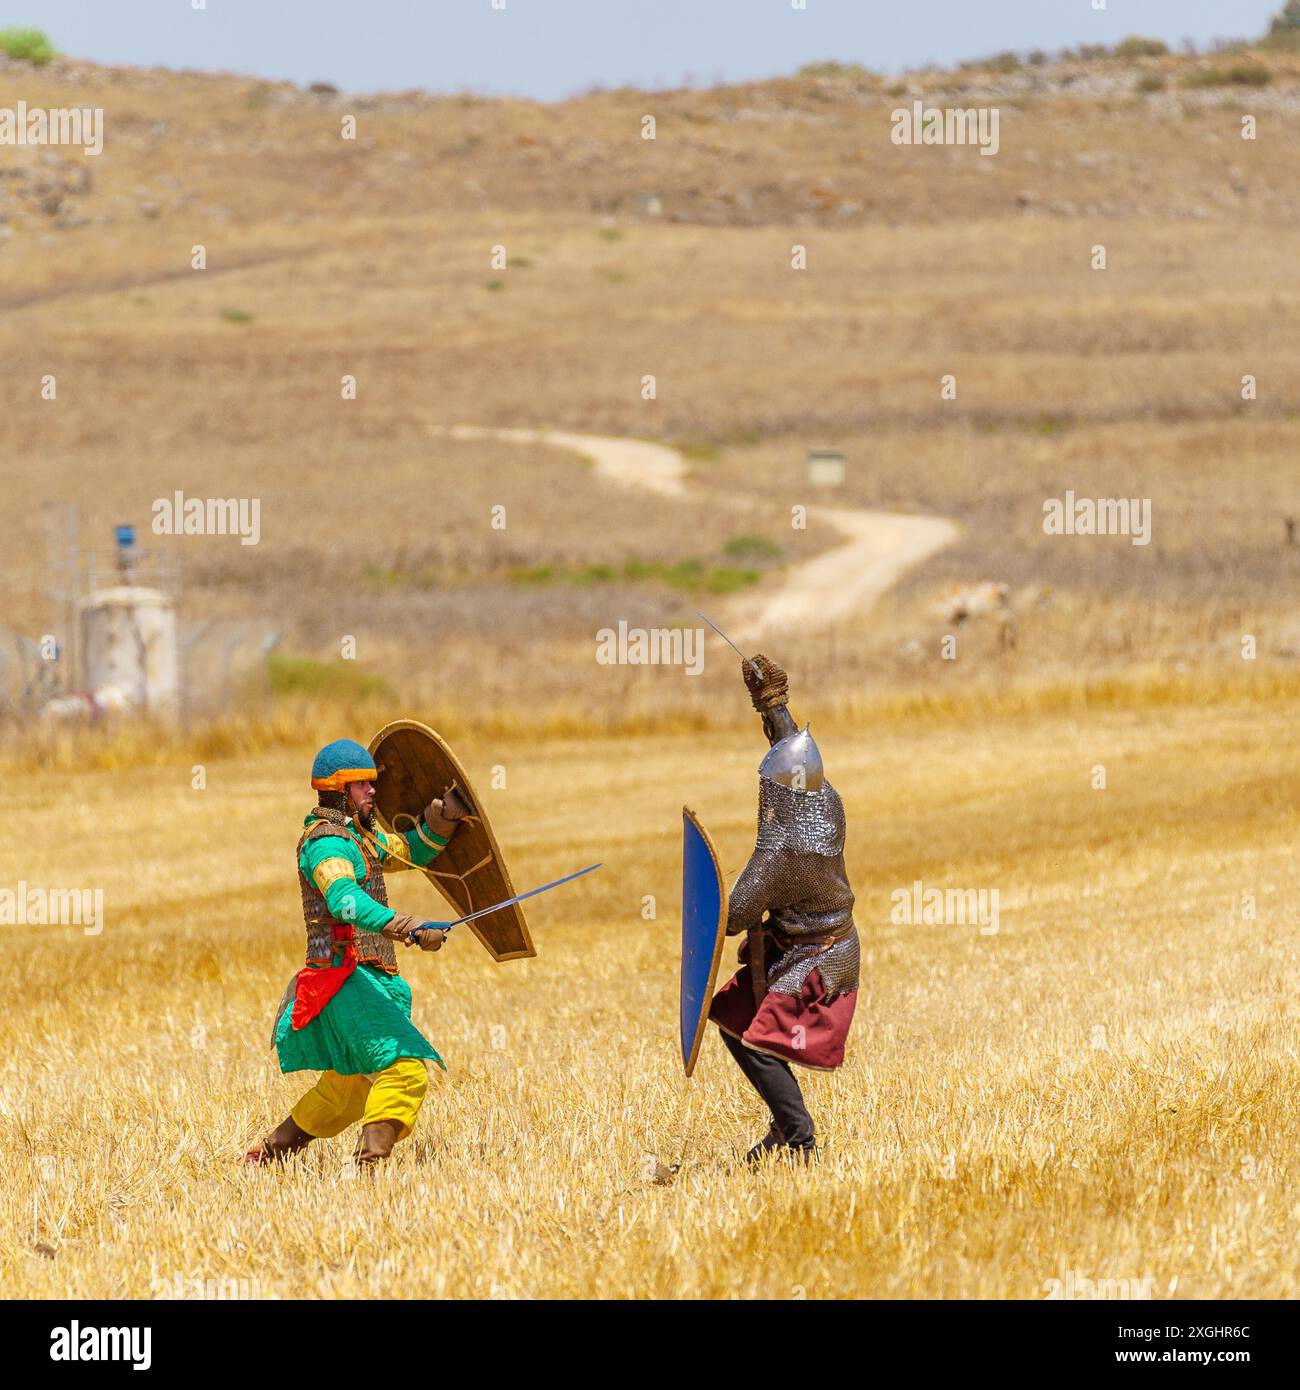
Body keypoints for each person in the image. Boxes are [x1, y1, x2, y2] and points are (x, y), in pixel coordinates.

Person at [245, 737, 464, 1168]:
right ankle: (368, 1168)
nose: (373, 791)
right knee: (404, 1066)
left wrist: (443, 817)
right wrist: (408, 926)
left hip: (363, 977)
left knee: (348, 1087)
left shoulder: (359, 837)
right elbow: (345, 900)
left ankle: (267, 1155)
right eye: (363, 785)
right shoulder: (326, 844)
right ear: (340, 791)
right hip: (341, 978)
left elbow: (408, 851)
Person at [709, 656, 859, 1163]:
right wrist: (772, 704)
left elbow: (730, 918)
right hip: (797, 947)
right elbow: (792, 751)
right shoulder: (822, 800)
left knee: (757, 1040)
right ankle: (785, 1125)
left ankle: (798, 1138)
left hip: (816, 961)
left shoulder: (784, 855)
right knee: (735, 1020)